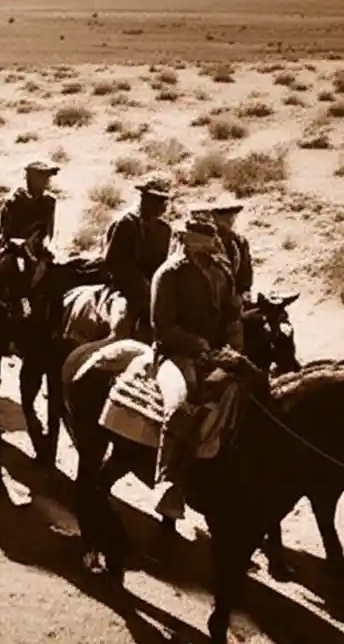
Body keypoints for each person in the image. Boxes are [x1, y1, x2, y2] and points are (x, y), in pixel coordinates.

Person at [150, 218, 244, 520]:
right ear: (191, 247)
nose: (211, 255)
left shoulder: (222, 273)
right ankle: (167, 481)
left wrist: (233, 350)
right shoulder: (169, 275)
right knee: (180, 404)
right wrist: (197, 344)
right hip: (175, 355)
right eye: (205, 250)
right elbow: (162, 328)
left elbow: (232, 317)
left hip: (218, 356)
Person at [103, 175, 174, 342]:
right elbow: (113, 261)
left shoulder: (164, 229)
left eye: (164, 200)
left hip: (154, 286)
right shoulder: (126, 222)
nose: (161, 205)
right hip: (127, 287)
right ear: (144, 198)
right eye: (156, 200)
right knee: (123, 322)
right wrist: (140, 283)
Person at [0, 160, 59, 262]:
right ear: (31, 179)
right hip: (14, 252)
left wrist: (47, 249)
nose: (46, 180)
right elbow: (5, 234)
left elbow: (49, 234)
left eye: (47, 177)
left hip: (37, 251)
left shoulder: (49, 202)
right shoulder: (14, 201)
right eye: (42, 177)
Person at [192, 198, 254, 300]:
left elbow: (245, 278)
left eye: (232, 214)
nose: (229, 219)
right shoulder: (200, 244)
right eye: (223, 214)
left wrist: (243, 296)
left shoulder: (240, 243)